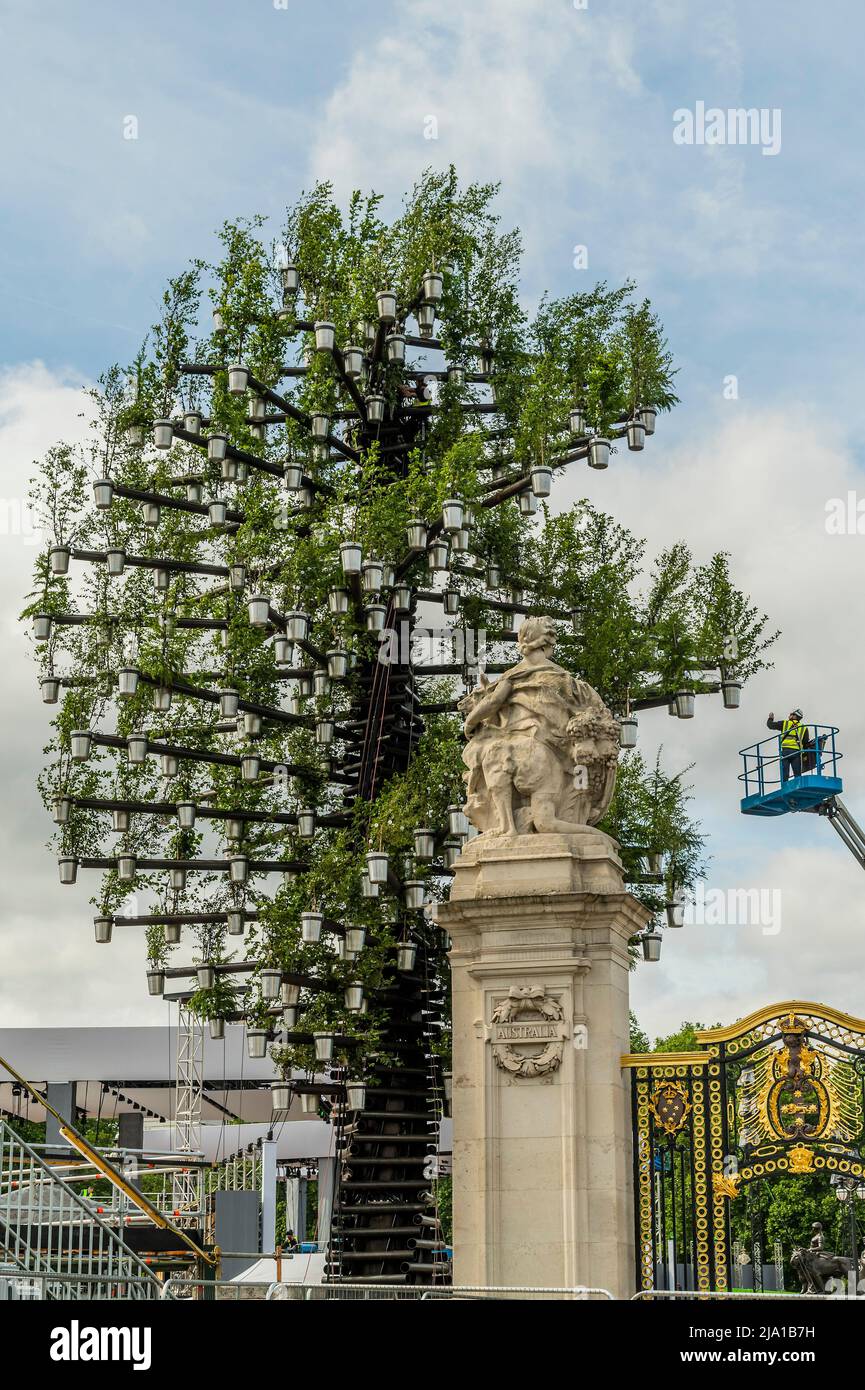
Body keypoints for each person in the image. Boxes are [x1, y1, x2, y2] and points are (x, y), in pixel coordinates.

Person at [767, 709, 807, 782]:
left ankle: (785, 786)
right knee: (797, 775)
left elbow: (770, 725)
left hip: (786, 752)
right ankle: (798, 785)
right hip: (796, 753)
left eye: (792, 714)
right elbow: (805, 743)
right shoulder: (803, 728)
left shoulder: (785, 723)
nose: (790, 715)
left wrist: (770, 718)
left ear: (795, 716)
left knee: (785, 775)